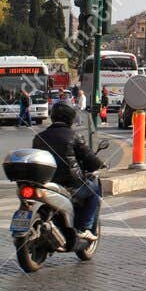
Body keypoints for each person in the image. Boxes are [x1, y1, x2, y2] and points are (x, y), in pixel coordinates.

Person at [32, 100, 104, 241]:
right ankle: (83, 227)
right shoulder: (74, 136)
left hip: (46, 182)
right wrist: (100, 165)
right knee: (94, 191)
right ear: (70, 118)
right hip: (70, 184)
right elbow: (89, 158)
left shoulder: (39, 137)